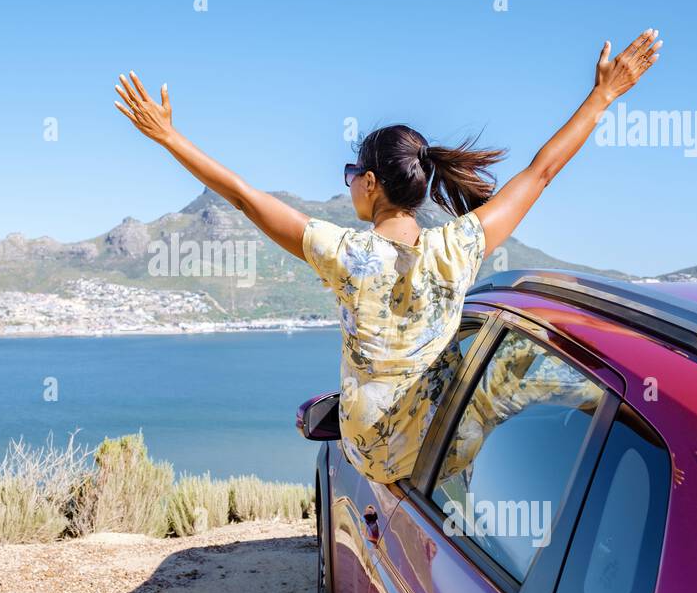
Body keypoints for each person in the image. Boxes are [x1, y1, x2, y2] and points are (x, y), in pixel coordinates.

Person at [113, 29, 662, 483]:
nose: (349, 184)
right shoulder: (459, 246)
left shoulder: (346, 254)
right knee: (519, 358)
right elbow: (540, 173)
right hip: (445, 448)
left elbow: (243, 197)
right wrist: (603, 97)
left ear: (371, 183)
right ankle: (647, 425)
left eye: (352, 175)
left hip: (379, 456)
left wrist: (168, 137)